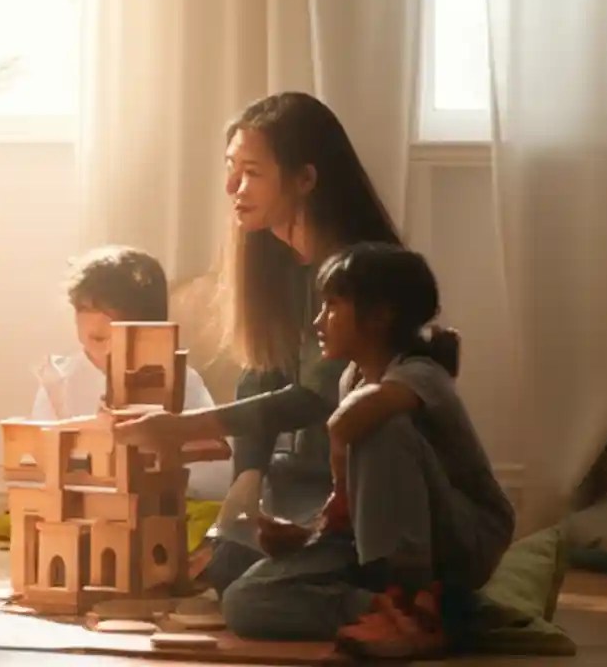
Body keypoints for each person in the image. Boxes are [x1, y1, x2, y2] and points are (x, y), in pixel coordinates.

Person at [116, 93, 404, 593]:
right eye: (230, 168)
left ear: (306, 179)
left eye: (250, 171)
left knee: (250, 600)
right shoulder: (277, 262)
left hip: (358, 488)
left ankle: (410, 606)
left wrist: (186, 426)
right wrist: (246, 480)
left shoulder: (359, 271)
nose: (232, 187)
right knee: (218, 573)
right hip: (293, 480)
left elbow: (316, 395)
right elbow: (260, 373)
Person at [229, 244, 513, 658]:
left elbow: (354, 422)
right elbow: (362, 501)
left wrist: (338, 434)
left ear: (380, 316)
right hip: (376, 553)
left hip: (458, 543)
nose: (318, 321)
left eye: (332, 306)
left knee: (377, 425)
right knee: (246, 599)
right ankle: (396, 611)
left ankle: (416, 600)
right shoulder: (352, 379)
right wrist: (309, 534)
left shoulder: (421, 373)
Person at [30, 246, 227, 499]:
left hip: (160, 500)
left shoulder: (181, 379)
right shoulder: (59, 380)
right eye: (98, 340)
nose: (113, 352)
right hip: (81, 501)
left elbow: (216, 473)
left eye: (126, 341)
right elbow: (39, 462)